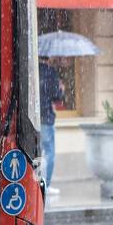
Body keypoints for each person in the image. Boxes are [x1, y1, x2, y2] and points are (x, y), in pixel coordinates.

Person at [39, 55, 65, 194]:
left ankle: (34, 185)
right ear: (49, 58)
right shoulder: (50, 72)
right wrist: (61, 88)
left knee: (35, 154)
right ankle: (46, 186)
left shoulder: (32, 71)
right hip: (46, 118)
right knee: (49, 153)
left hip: (33, 118)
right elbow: (57, 97)